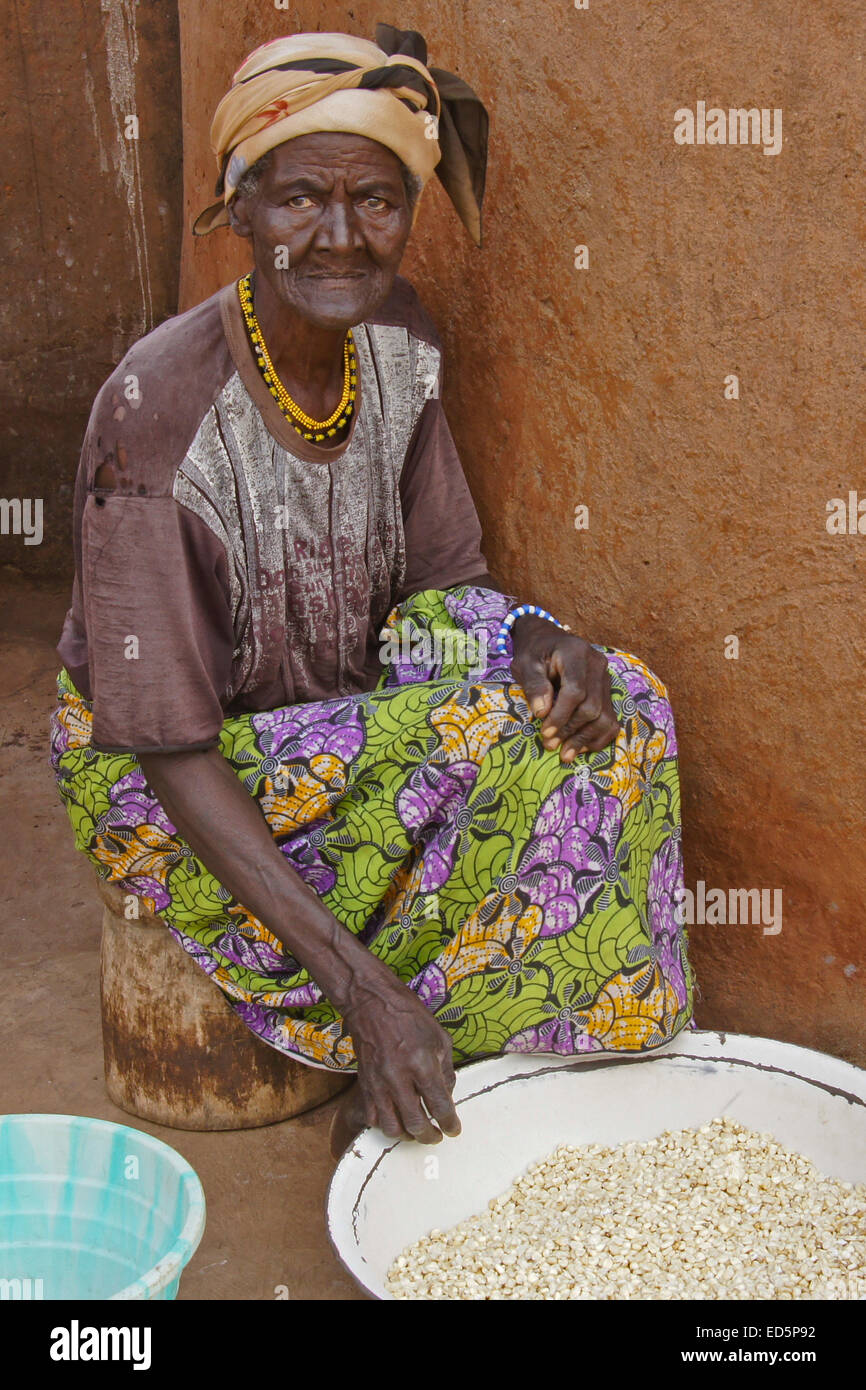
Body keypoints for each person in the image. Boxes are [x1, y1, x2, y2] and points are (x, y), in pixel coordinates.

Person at [51, 25, 693, 1158]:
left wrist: (540, 636)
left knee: (612, 702)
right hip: (161, 778)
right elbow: (166, 742)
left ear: (410, 208)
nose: (341, 237)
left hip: (335, 704)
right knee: (474, 730)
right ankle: (395, 1017)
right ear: (239, 205)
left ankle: (542, 1043)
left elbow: (444, 583)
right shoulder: (155, 412)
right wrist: (360, 987)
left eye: (377, 201)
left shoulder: (397, 338)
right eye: (299, 199)